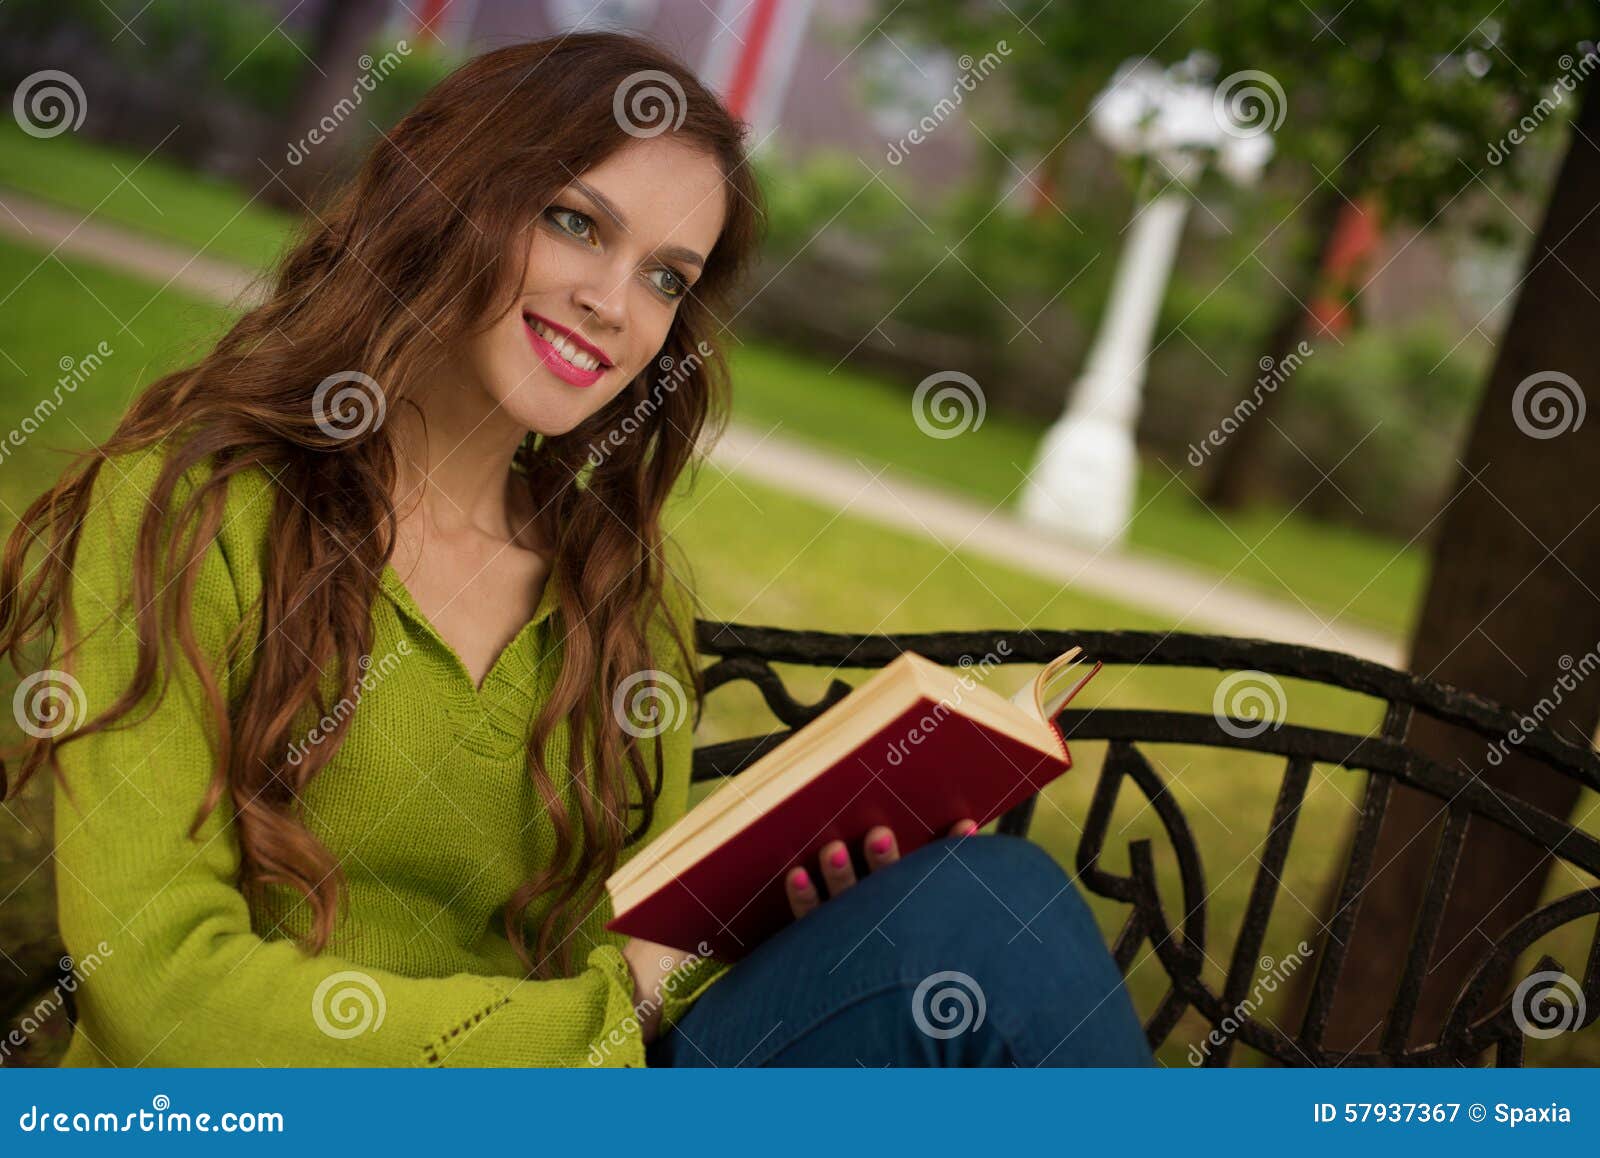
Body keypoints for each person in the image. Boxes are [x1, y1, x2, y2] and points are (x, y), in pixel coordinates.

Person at [0, 32, 1149, 1068]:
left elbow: (625, 959)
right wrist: (608, 1011)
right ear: (448, 201)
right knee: (982, 922)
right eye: (577, 223)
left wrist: (788, 915)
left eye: (665, 278)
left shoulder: (618, 596)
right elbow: (155, 990)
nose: (615, 304)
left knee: (971, 908)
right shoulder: (193, 514)